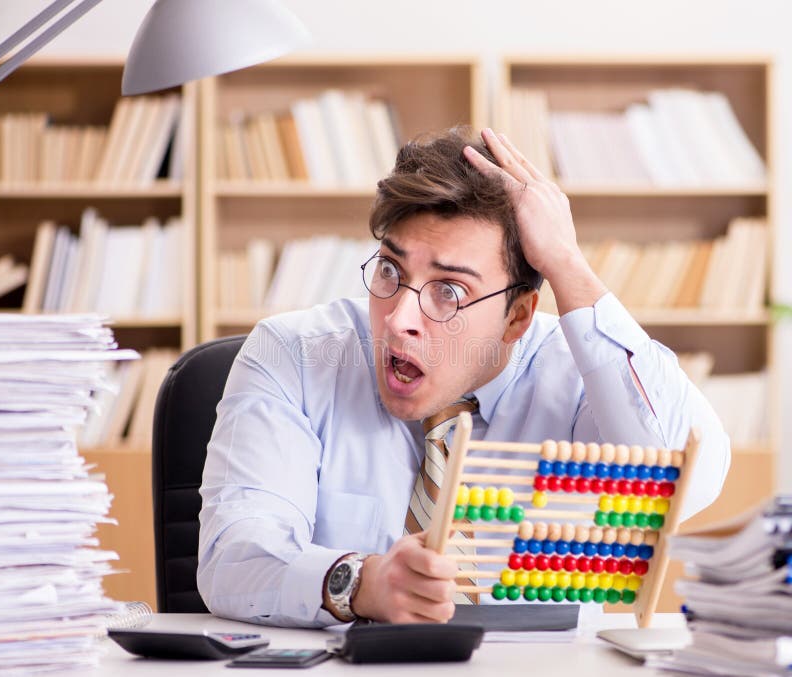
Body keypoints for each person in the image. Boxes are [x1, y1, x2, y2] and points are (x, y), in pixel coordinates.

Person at [198, 127, 730, 628]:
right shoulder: (295, 354)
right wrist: (362, 582)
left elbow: (680, 481)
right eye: (390, 271)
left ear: (518, 316)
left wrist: (568, 265)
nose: (400, 317)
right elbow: (232, 557)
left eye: (448, 290)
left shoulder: (581, 379)